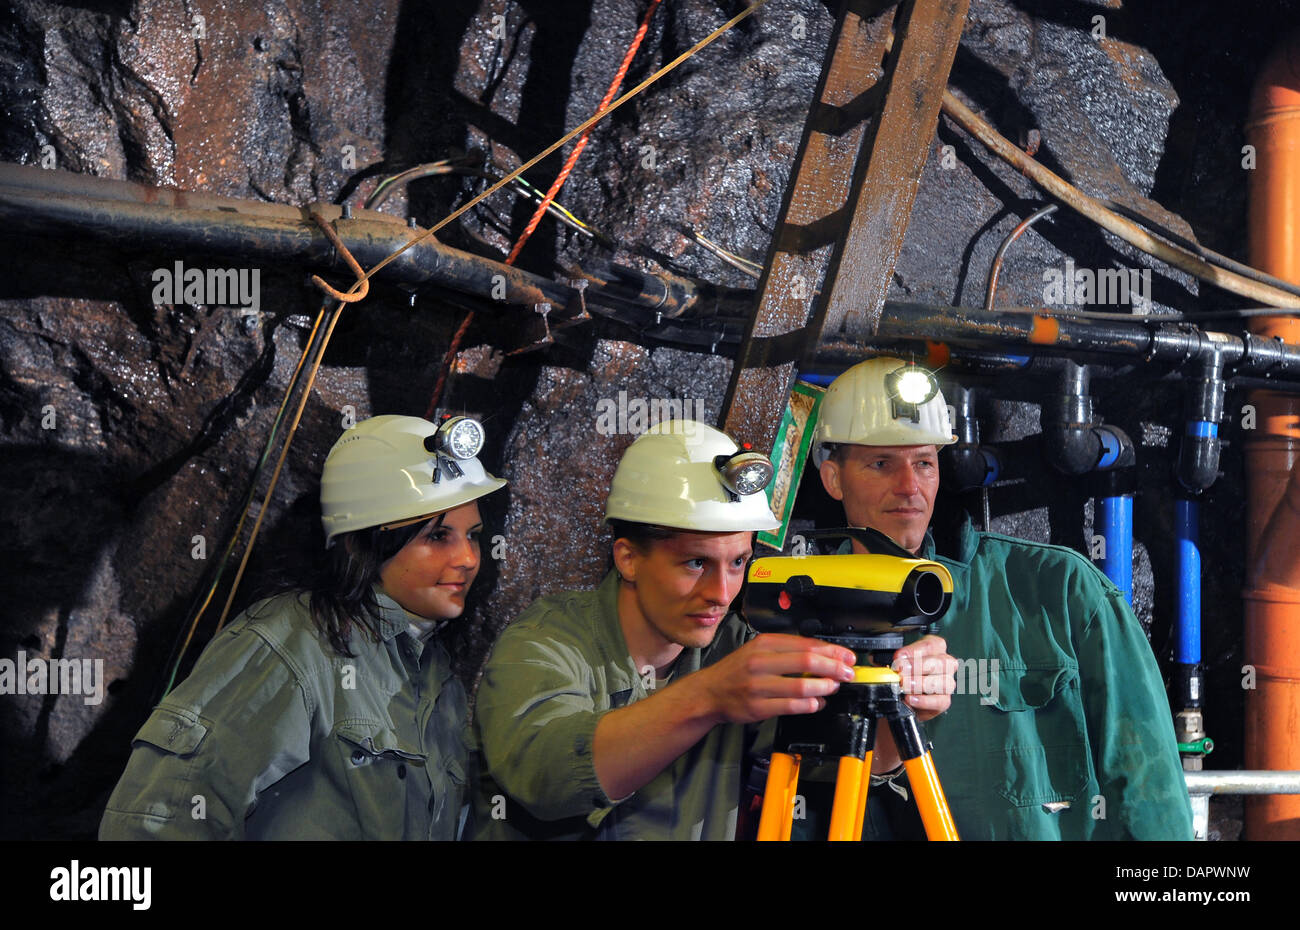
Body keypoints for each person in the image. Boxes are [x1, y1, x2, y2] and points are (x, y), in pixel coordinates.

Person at [471, 419, 955, 840]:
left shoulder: (733, 648)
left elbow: (833, 758)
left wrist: (905, 707)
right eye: (696, 563)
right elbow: (544, 776)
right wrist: (708, 699)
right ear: (629, 557)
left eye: (739, 562)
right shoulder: (546, 642)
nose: (721, 592)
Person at [811, 356, 1194, 839]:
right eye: (881, 463)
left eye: (924, 463)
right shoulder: (801, 612)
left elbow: (1148, 783)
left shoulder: (1058, 588)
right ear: (833, 477)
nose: (909, 487)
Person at [100, 414, 505, 840]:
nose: (468, 557)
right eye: (439, 536)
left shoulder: (437, 679)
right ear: (363, 542)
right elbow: (155, 823)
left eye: (473, 535)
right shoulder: (289, 646)